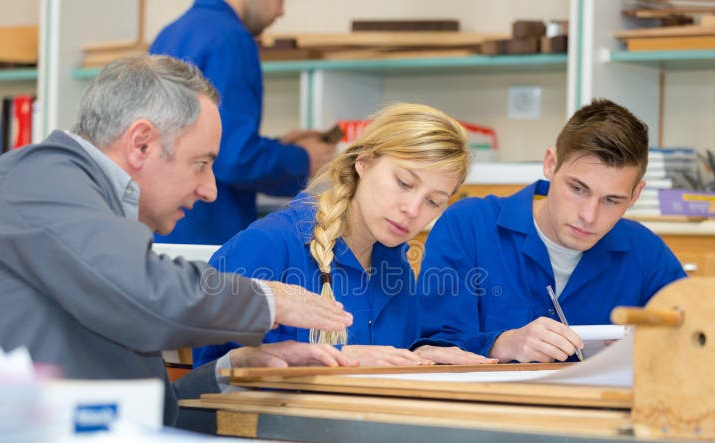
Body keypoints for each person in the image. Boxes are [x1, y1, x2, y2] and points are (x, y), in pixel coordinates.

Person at [0, 55, 354, 428]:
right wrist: (267, 300)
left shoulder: (96, 223)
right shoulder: (42, 180)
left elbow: (149, 413)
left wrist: (231, 373)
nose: (210, 190)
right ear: (141, 143)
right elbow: (147, 291)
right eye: (201, 163)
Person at [194, 102, 497, 369]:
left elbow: (380, 363)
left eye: (433, 201)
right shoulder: (270, 244)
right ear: (363, 162)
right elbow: (208, 376)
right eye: (404, 183)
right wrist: (341, 358)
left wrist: (418, 355)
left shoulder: (397, 269)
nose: (412, 209)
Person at [417, 98, 687, 363]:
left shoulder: (646, 252)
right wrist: (502, 344)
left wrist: (650, 351)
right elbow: (431, 348)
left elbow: (694, 339)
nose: (589, 216)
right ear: (550, 164)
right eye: (578, 189)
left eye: (611, 200)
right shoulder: (467, 226)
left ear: (635, 195)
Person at [150, 0, 335, 245]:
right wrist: (303, 159)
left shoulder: (170, 33)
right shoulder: (231, 39)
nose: (281, 11)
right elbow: (234, 157)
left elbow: (196, 141)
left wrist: (279, 145)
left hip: (167, 234)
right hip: (211, 236)